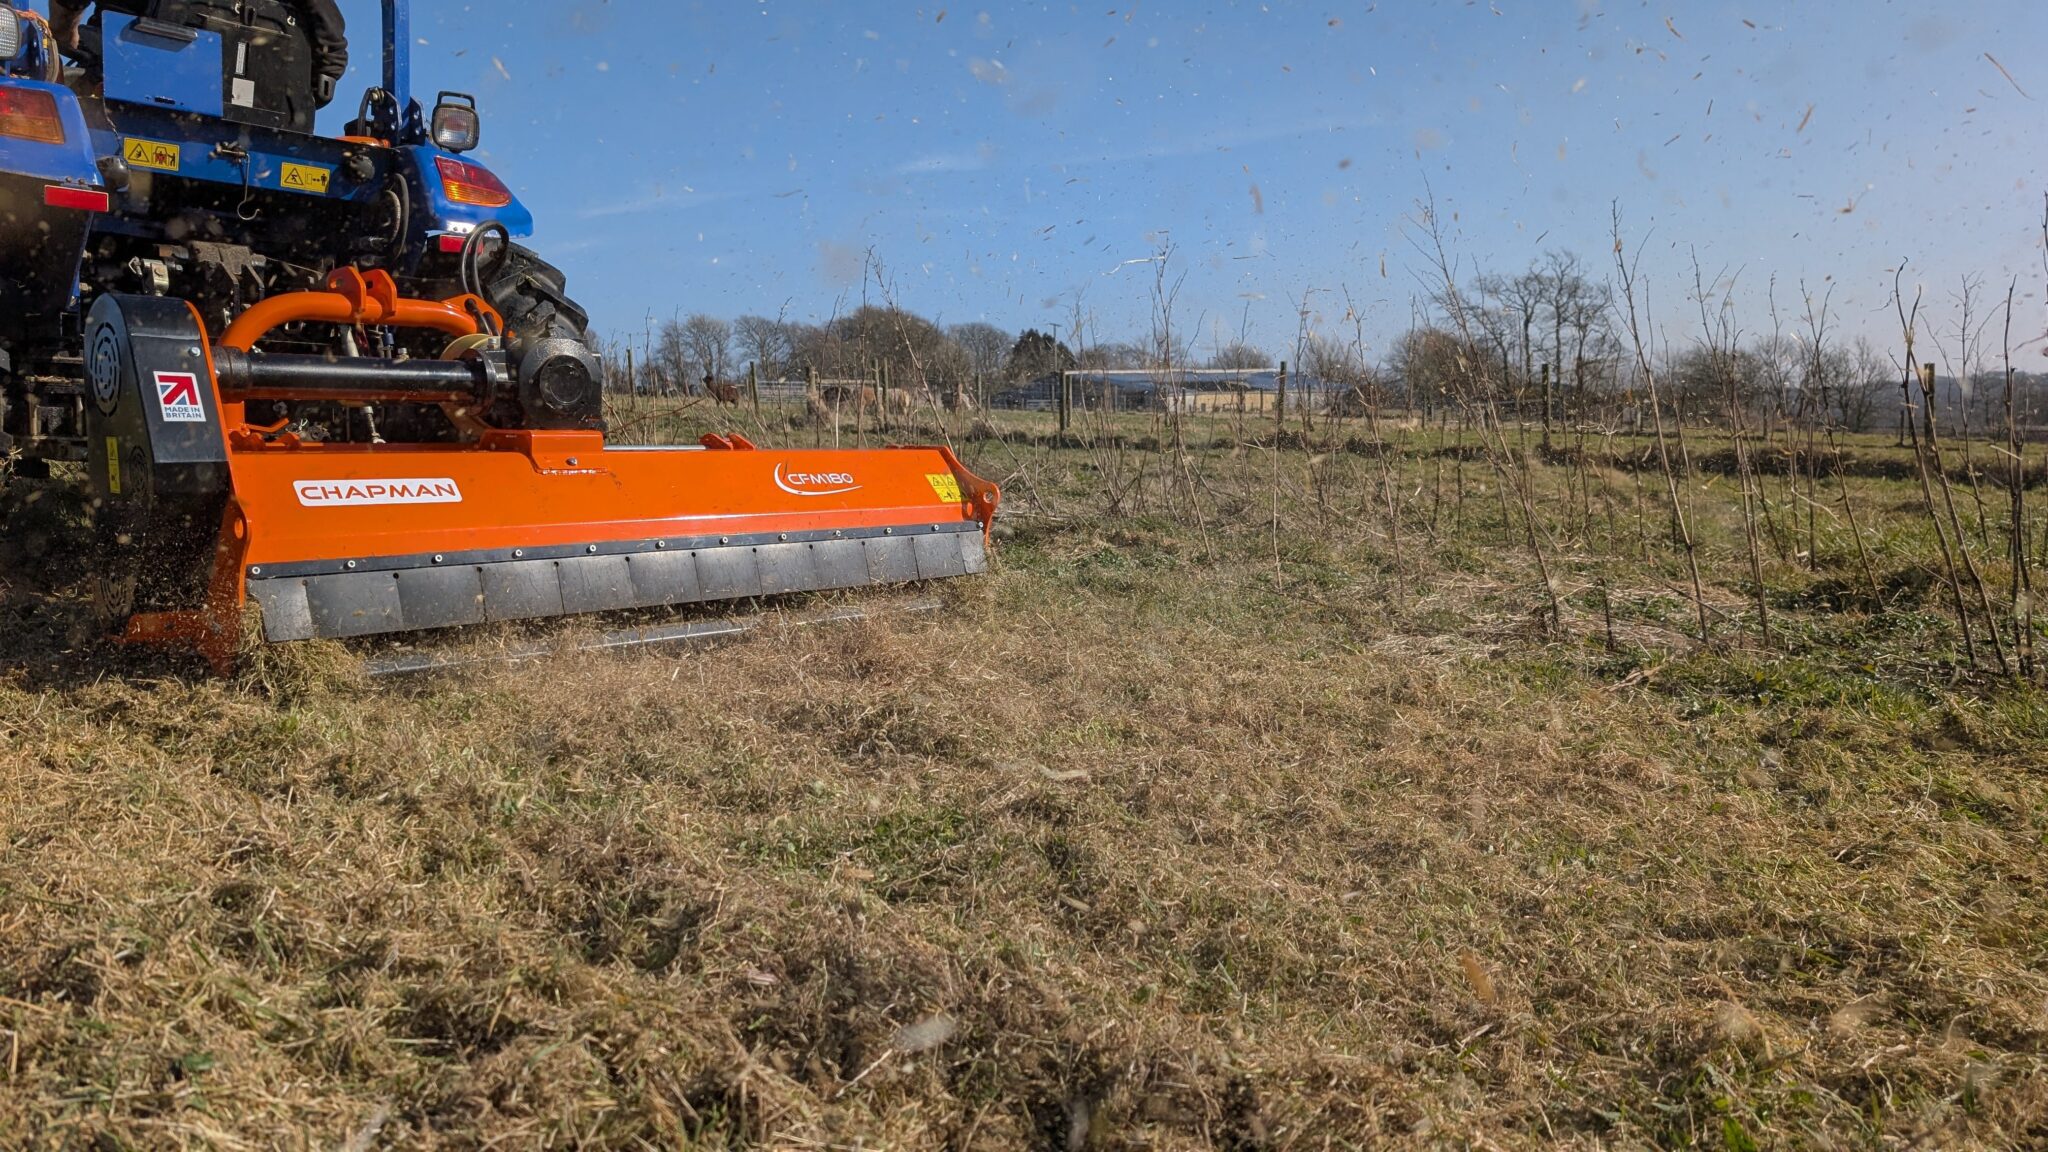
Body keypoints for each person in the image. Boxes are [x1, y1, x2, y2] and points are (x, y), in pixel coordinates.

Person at [49, 0, 346, 113]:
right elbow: (330, 41)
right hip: (277, 123)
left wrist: (64, 34)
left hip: (150, 100)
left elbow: (67, 13)